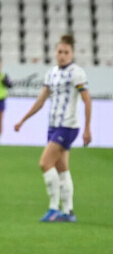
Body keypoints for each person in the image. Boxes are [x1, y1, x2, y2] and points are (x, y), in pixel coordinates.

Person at [14, 34, 91, 223]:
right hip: (53, 126)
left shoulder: (77, 73)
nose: (63, 55)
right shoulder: (51, 73)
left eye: (66, 52)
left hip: (67, 126)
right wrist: (23, 120)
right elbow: (41, 101)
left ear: (72, 54)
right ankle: (69, 211)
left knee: (45, 163)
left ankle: (53, 208)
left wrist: (87, 128)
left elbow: (87, 100)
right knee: (62, 168)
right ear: (55, 53)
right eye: (60, 52)